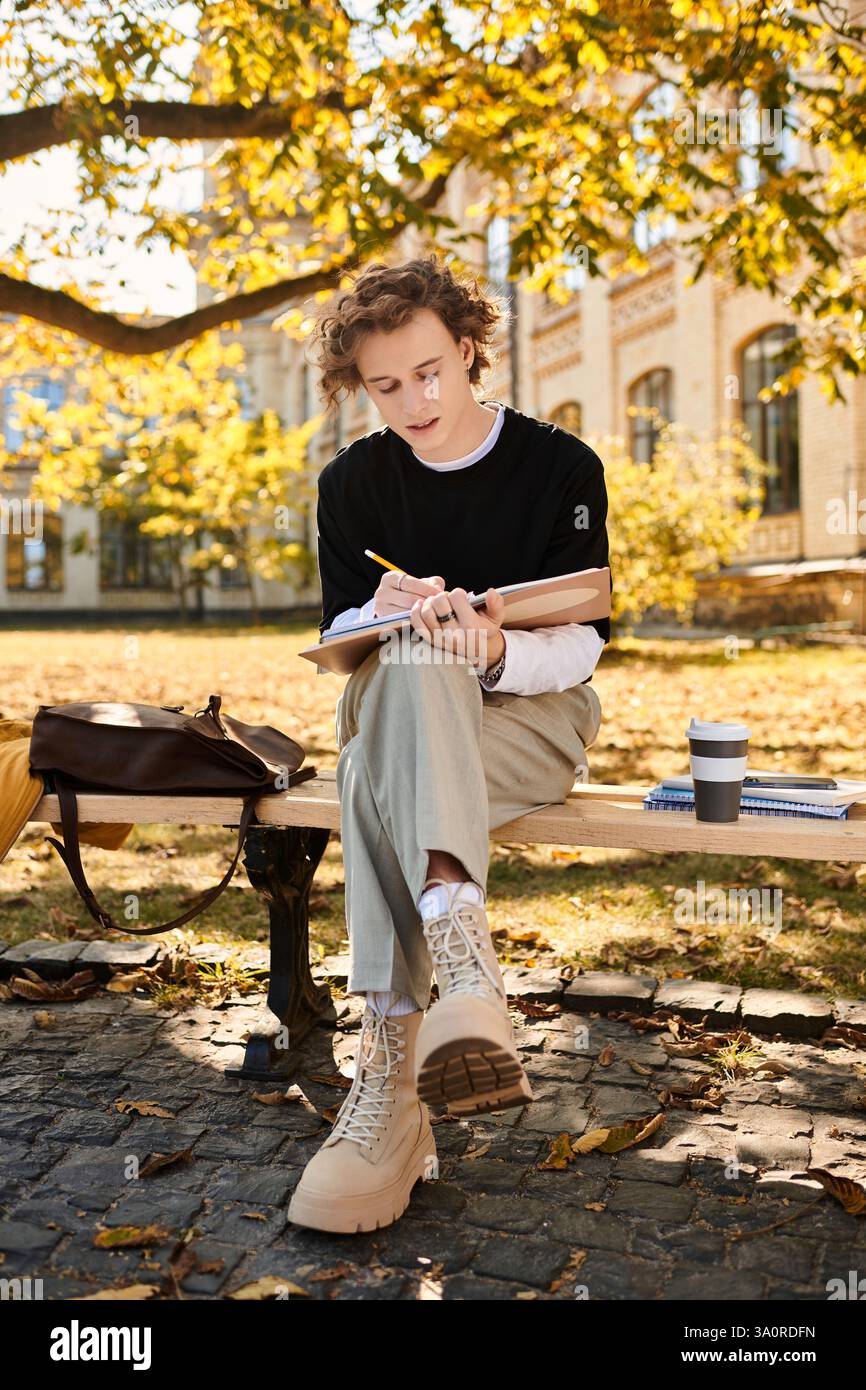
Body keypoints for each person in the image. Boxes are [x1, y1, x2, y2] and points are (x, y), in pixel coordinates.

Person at [288, 253, 611, 1234]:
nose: (413, 399)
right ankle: (461, 962)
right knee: (408, 665)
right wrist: (373, 612)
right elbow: (338, 649)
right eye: (385, 386)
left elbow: (582, 640)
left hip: (528, 720)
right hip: (393, 706)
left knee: (374, 763)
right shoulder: (350, 485)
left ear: (468, 350)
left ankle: (387, 1087)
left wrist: (498, 647)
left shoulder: (559, 465)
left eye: (429, 371)